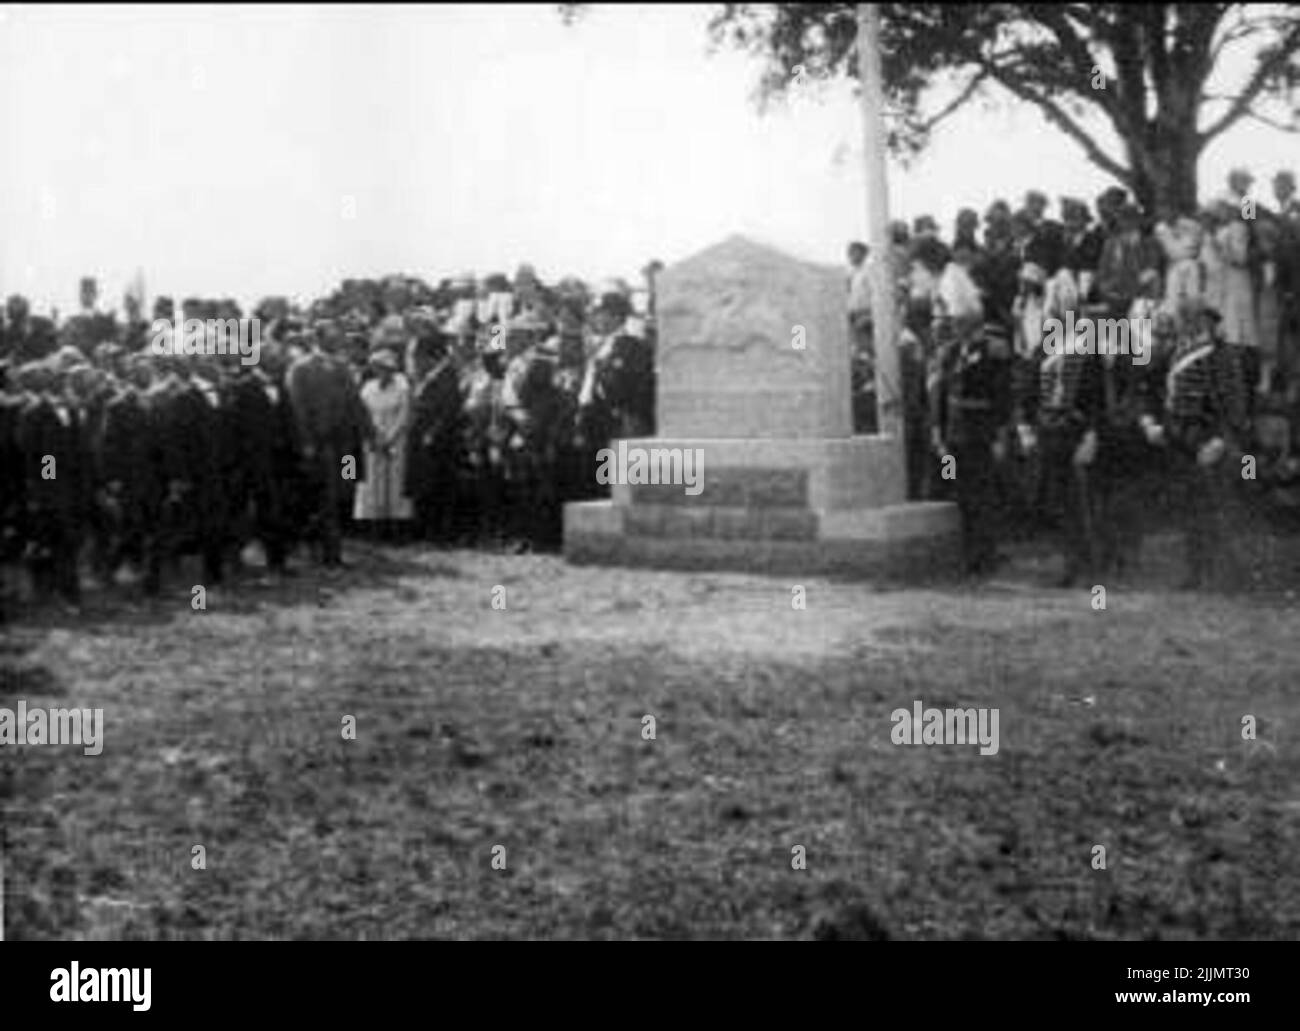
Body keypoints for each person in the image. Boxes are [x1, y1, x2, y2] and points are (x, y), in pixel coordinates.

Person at [931, 308, 1012, 577]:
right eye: (955, 323)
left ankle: (985, 555)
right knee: (958, 491)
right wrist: (937, 430)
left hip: (980, 435)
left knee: (983, 495)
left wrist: (1000, 434)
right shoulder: (950, 353)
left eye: (960, 323)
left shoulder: (991, 352)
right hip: (953, 438)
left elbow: (1001, 396)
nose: (956, 327)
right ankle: (966, 554)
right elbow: (942, 394)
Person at [353, 349, 413, 540]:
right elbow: (362, 413)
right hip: (372, 440)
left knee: (395, 483)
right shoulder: (368, 388)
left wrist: (390, 438)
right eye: (377, 367)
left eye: (385, 368)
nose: (381, 371)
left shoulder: (402, 387)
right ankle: (374, 527)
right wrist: (373, 437)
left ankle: (397, 528)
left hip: (395, 440)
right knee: (373, 482)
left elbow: (405, 416)